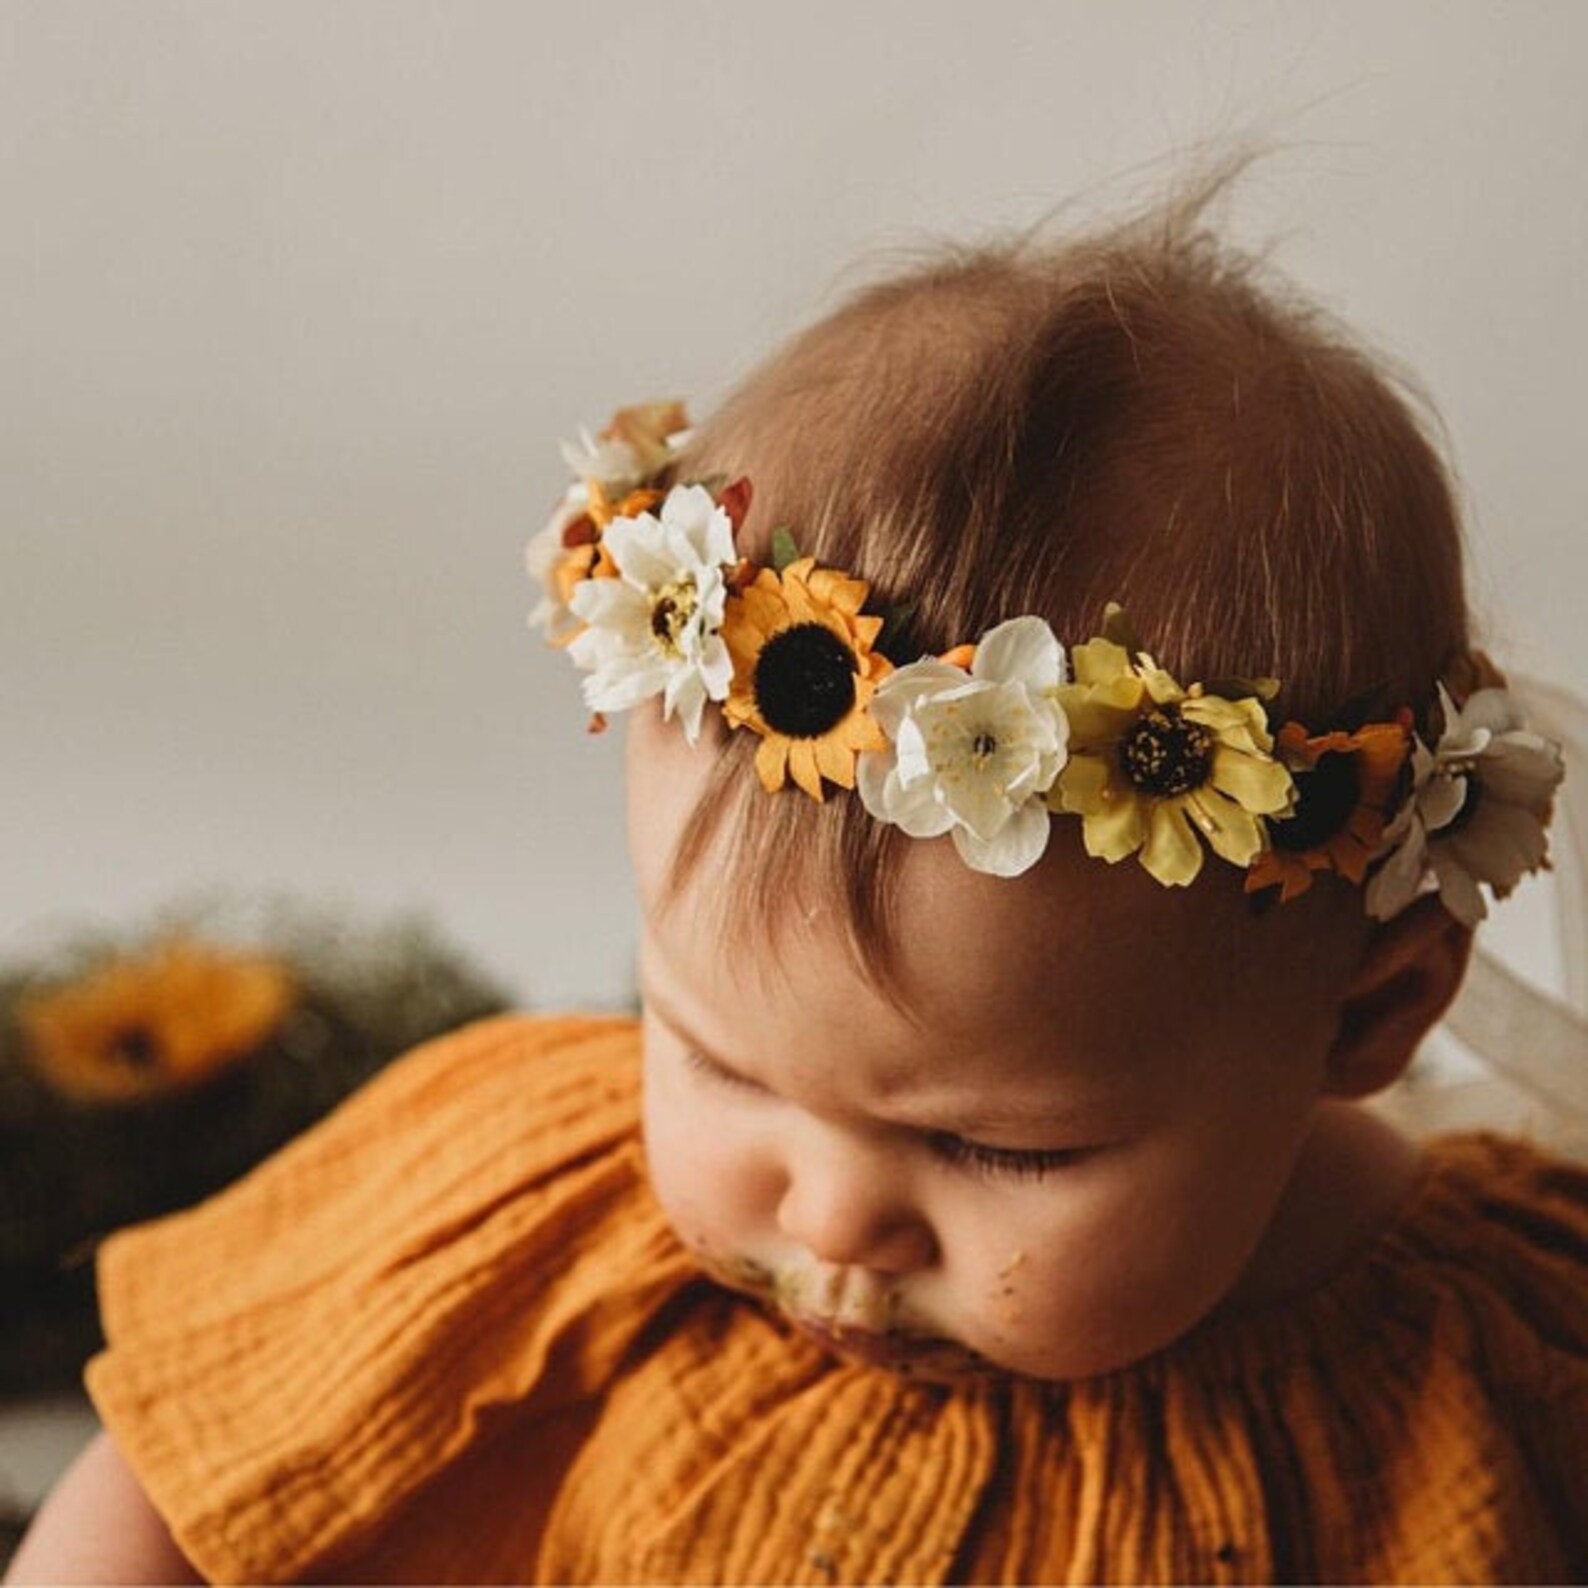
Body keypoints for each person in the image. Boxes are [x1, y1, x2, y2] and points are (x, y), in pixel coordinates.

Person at [10, 171, 1587, 1585]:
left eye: (996, 1149)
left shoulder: (1494, 1376)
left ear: (1367, 1015)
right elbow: (181, 1479)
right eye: (713, 1057)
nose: (827, 1216)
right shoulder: (542, 1212)